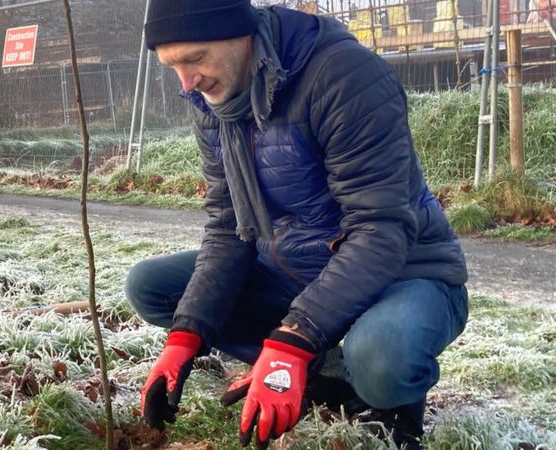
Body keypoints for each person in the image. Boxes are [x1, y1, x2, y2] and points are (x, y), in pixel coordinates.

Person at [124, 1, 469, 449]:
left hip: (402, 270)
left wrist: (293, 339)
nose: (187, 82)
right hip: (295, 268)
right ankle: (326, 377)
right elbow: (229, 227)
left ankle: (391, 403)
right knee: (153, 287)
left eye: (195, 59)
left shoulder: (343, 77)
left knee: (381, 357)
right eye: (172, 66)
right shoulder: (212, 100)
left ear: (239, 34)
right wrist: (186, 335)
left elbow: (380, 230)